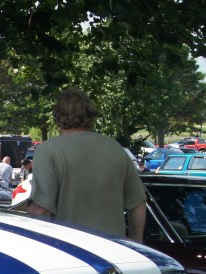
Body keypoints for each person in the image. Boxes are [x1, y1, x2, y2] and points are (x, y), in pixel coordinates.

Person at [27, 88, 147, 242]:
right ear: (91, 115)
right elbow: (138, 203)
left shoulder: (47, 150)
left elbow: (41, 210)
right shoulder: (115, 148)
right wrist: (136, 244)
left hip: (69, 249)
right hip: (114, 249)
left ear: (58, 116)